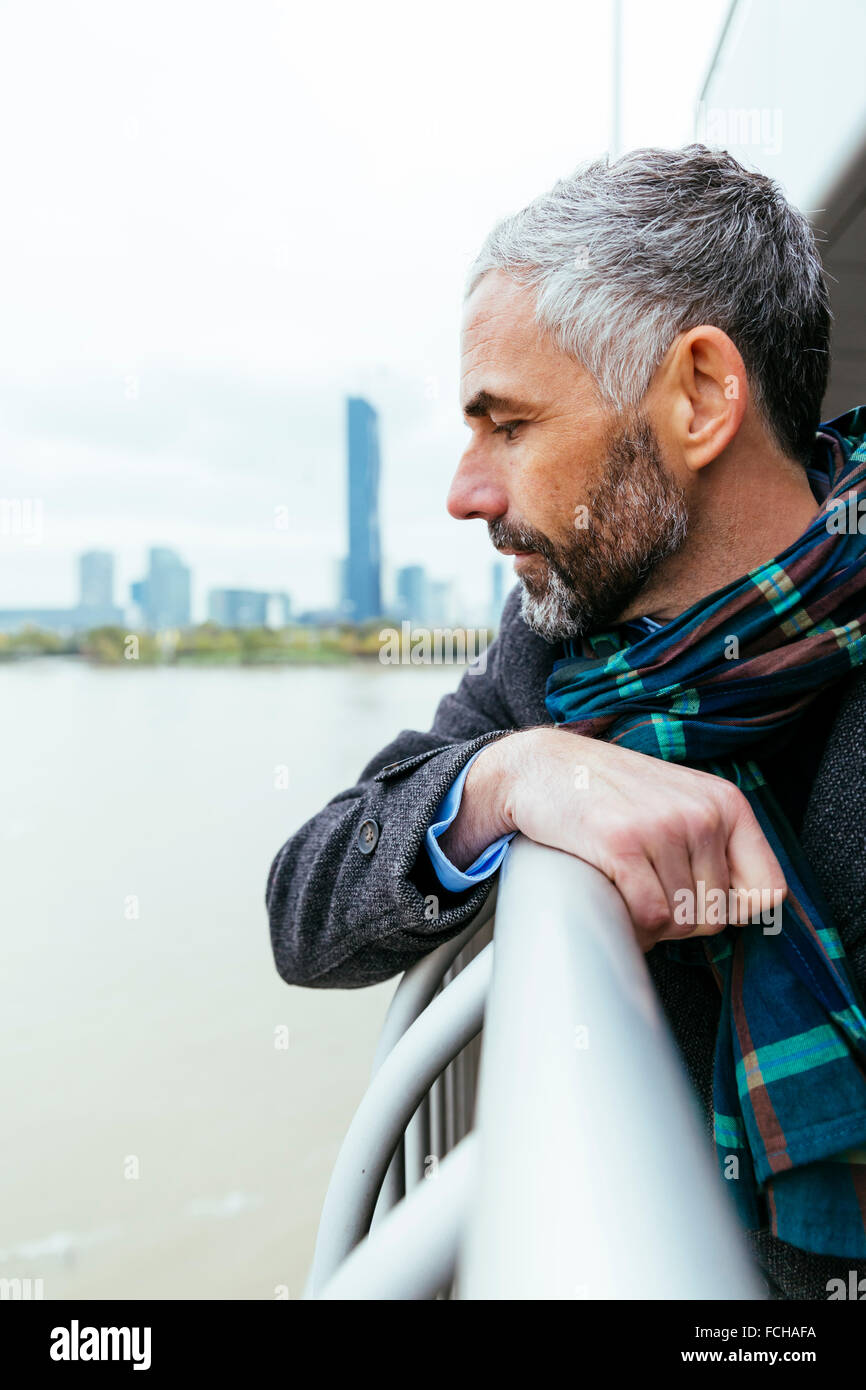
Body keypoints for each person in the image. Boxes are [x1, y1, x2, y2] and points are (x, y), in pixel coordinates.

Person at [267, 146, 866, 1299]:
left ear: (698, 395)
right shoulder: (554, 658)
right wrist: (507, 775)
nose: (464, 492)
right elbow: (304, 908)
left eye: (509, 424)